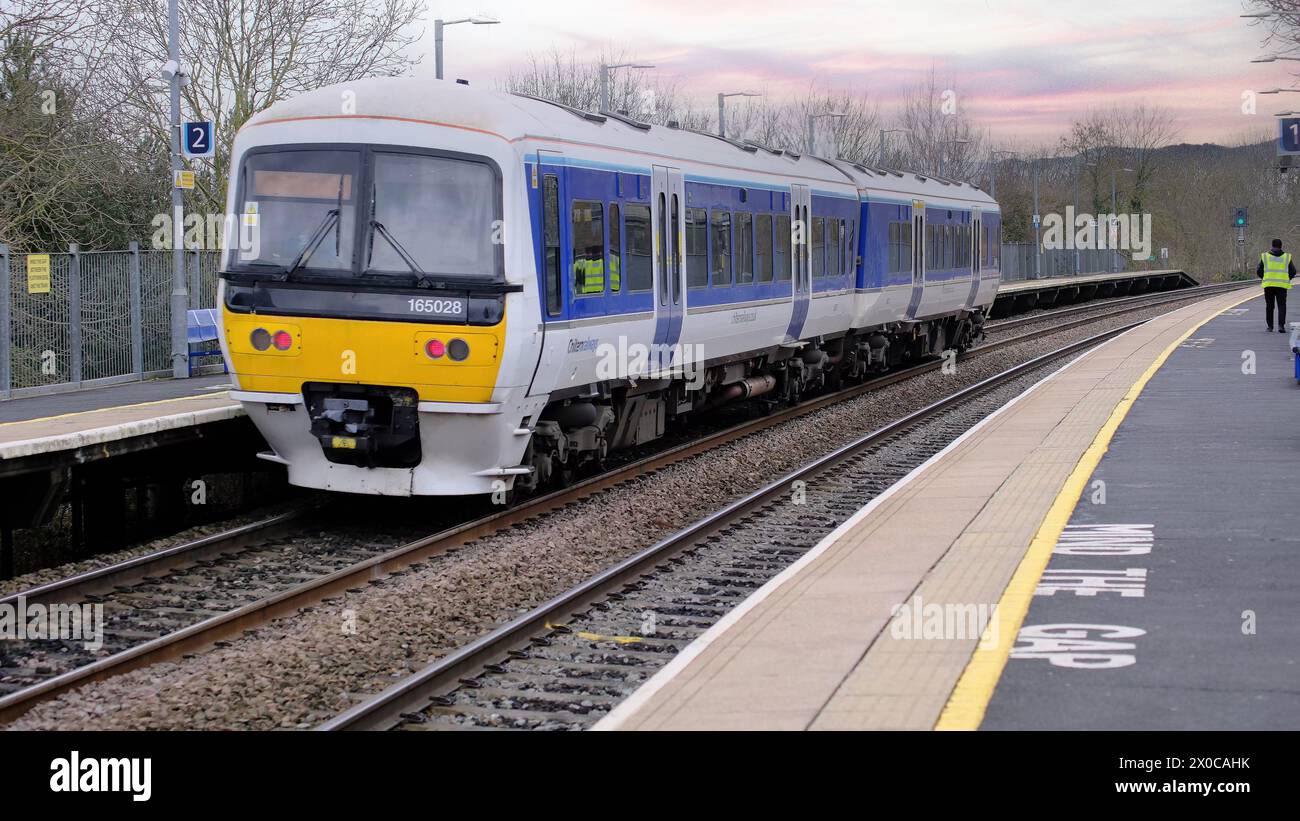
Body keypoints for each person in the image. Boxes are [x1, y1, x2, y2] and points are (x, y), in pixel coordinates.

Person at [1257, 238, 1296, 332]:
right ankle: (1281, 326)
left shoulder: (1265, 256)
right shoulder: (1287, 257)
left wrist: (1265, 277)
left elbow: (1259, 270)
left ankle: (1270, 327)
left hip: (1268, 285)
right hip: (1282, 286)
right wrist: (1287, 278)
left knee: (1269, 306)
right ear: (1281, 246)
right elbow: (1293, 271)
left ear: (1272, 245)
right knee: (1282, 305)